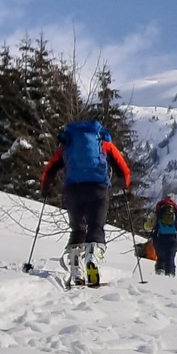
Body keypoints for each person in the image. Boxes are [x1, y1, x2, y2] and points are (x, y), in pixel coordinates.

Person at [39, 120, 133, 287]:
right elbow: (122, 167)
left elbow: (51, 168)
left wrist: (45, 188)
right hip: (98, 189)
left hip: (73, 190)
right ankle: (92, 258)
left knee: (78, 229)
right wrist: (124, 183)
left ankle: (77, 268)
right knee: (96, 226)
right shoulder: (103, 142)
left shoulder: (68, 143)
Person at [149, 195, 177, 276]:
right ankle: (170, 274)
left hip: (159, 238)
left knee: (161, 257)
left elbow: (147, 226)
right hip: (172, 239)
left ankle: (159, 273)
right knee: (170, 257)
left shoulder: (158, 210)